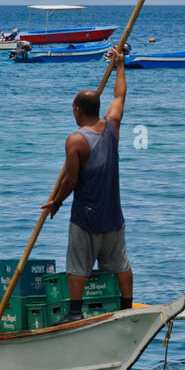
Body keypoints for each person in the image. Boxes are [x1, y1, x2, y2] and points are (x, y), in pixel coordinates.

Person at [40, 45, 132, 322]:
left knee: (77, 265)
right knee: (120, 264)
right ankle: (127, 309)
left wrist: (56, 202)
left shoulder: (76, 140)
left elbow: (71, 179)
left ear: (77, 110)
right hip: (113, 215)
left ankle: (75, 312)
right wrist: (120, 65)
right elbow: (119, 95)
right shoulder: (112, 125)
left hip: (86, 217)